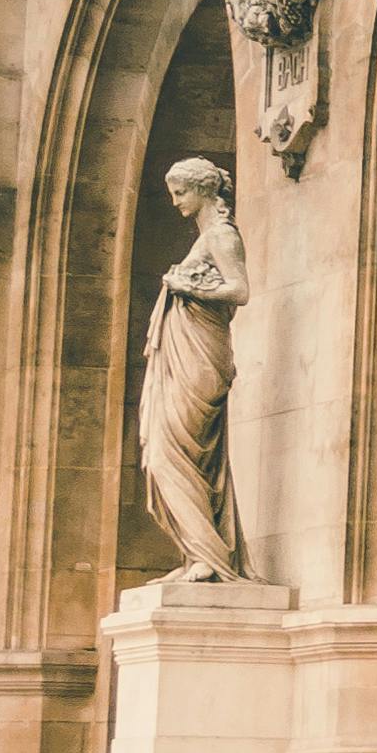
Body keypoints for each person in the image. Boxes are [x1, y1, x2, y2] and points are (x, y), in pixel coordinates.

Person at [136, 159, 252, 581]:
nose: (175, 201)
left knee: (175, 454)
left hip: (201, 356)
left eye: (181, 192)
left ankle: (210, 556)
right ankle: (196, 552)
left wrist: (187, 286)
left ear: (204, 190)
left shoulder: (221, 236)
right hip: (181, 354)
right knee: (164, 455)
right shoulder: (205, 238)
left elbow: (240, 290)